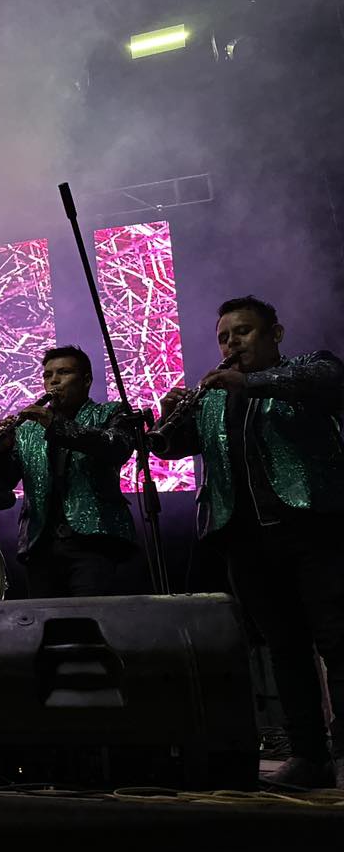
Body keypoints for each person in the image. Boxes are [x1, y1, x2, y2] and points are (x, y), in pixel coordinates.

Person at [151, 295, 344, 788]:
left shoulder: (308, 368)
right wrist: (168, 417)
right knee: (285, 648)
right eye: (223, 337)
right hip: (246, 541)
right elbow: (172, 449)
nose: (231, 344)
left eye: (243, 332)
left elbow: (328, 384)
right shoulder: (214, 397)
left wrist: (249, 381)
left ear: (274, 335)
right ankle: (309, 755)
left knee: (337, 641)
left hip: (312, 529)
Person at [0, 345, 143, 597]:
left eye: (64, 372)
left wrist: (55, 425)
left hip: (94, 542)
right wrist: (0, 453)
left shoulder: (110, 412)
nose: (54, 381)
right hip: (40, 544)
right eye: (48, 375)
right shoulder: (27, 427)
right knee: (50, 628)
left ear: (87, 380)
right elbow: (0, 485)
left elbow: (116, 447)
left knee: (93, 622)